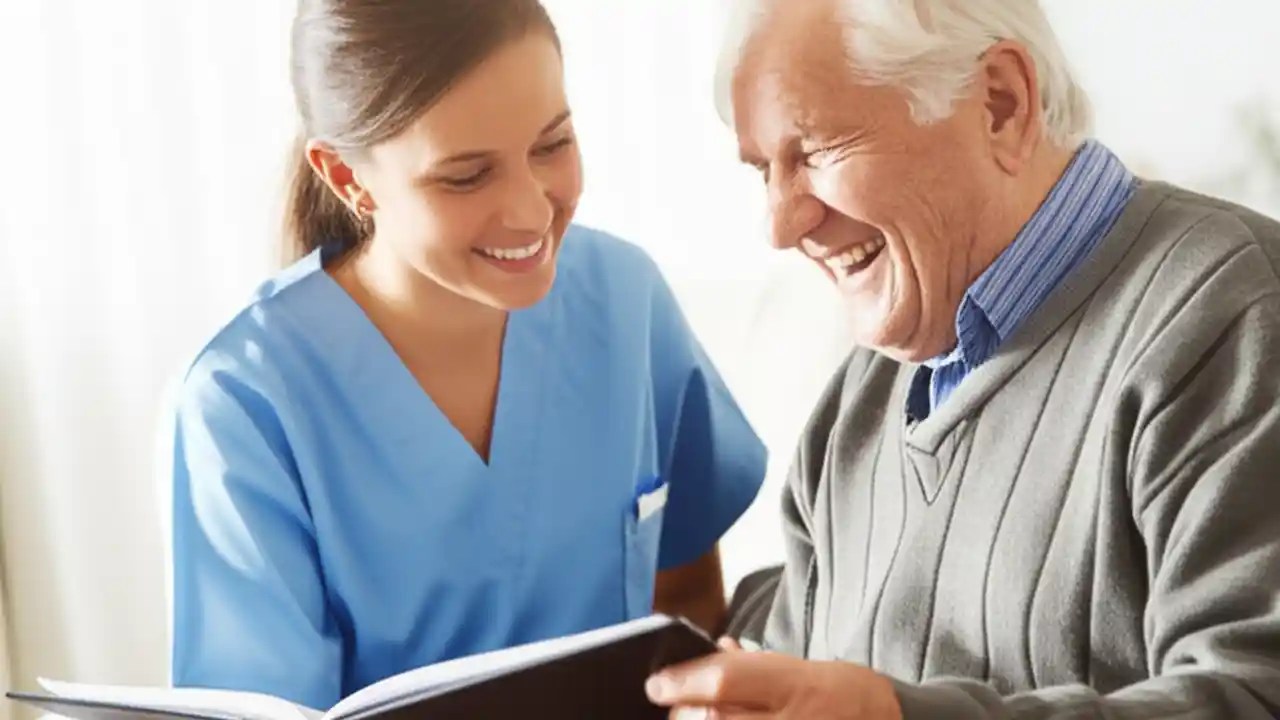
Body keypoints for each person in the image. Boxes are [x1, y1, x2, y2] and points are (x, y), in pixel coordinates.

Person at [647, 0, 1280, 717]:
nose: (781, 224)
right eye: (763, 169)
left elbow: (1254, 692)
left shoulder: (1232, 311)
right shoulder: (854, 409)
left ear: (1001, 104)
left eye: (815, 150)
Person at [167, 0, 765, 710]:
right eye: (466, 176)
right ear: (348, 178)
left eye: (552, 145)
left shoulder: (625, 301)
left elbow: (690, 607)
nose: (533, 213)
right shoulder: (246, 401)